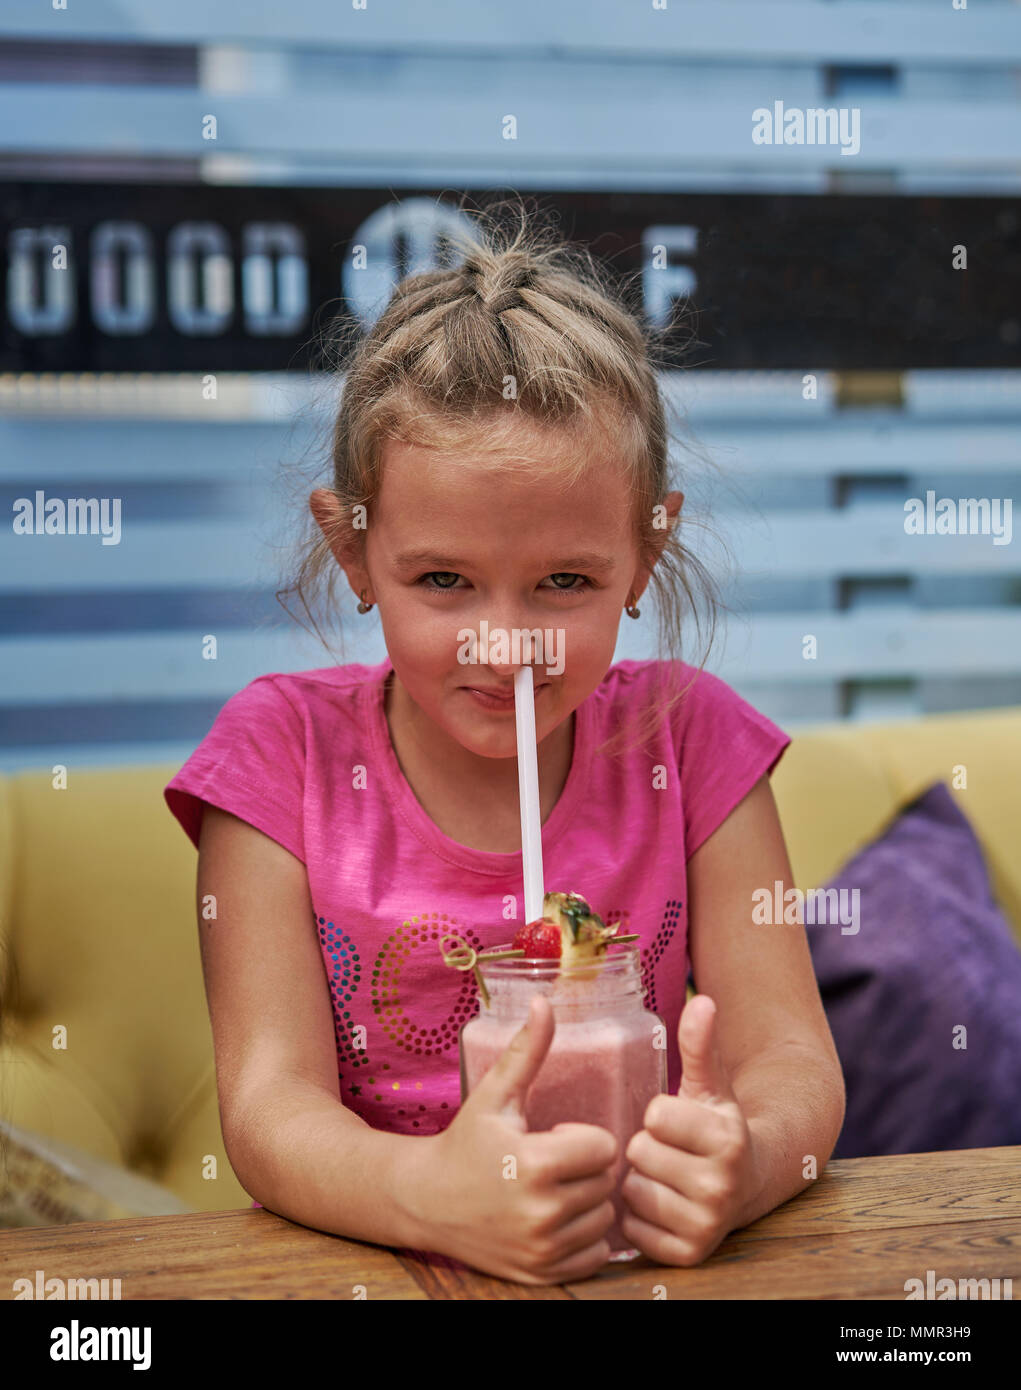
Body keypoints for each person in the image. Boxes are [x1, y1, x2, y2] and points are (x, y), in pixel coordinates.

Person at [164, 199, 845, 1287]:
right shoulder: (279, 756)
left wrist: (745, 1158)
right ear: (351, 548)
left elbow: (791, 1059)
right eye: (442, 580)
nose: (503, 641)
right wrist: (433, 1197)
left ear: (646, 552)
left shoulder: (695, 745)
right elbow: (267, 1105)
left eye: (563, 583)